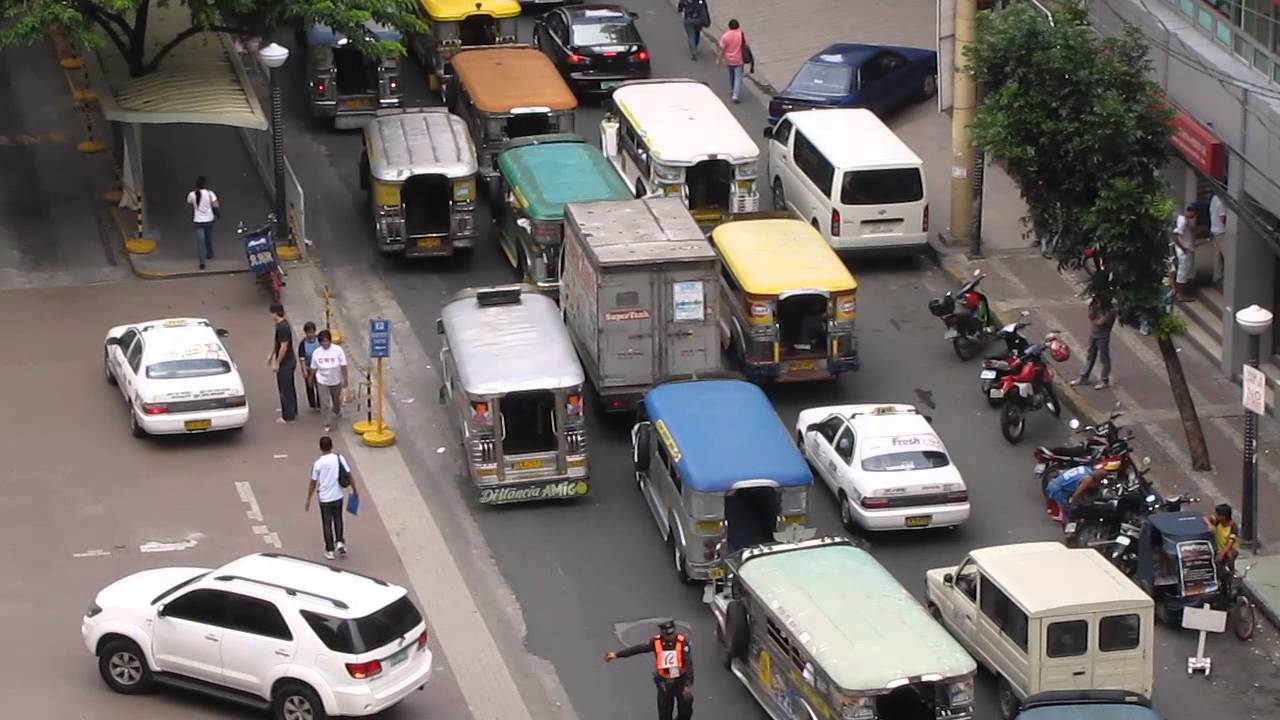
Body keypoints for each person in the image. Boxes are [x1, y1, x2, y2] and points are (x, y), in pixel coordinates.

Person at [606, 620, 693, 720]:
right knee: (665, 711)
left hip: (680, 680)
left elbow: (688, 664)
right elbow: (639, 649)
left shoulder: (682, 642)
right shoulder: (656, 642)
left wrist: (688, 685)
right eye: (667, 634)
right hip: (664, 682)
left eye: (671, 633)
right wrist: (617, 654)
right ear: (662, 633)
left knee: (686, 710)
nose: (670, 636)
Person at [306, 435, 358, 560]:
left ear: (320, 447)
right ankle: (340, 542)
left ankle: (329, 550)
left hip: (324, 498)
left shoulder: (318, 464)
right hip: (337, 495)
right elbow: (349, 474)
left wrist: (308, 499)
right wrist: (354, 490)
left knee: (327, 523)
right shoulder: (339, 458)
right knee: (338, 519)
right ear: (331, 446)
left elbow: (313, 482)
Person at [1070, 298, 1116, 390]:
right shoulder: (1096, 305)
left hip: (1103, 337)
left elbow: (1100, 322)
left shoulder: (1111, 311)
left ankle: (1104, 380)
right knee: (1090, 356)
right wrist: (1092, 308)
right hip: (1093, 334)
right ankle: (1084, 377)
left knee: (1104, 358)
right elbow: (1091, 315)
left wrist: (1093, 318)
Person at [309, 330, 349, 432]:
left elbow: (343, 365)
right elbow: (313, 368)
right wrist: (310, 378)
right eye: (323, 341)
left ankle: (336, 410)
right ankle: (327, 423)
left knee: (336, 401)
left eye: (327, 341)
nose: (325, 343)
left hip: (336, 380)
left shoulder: (338, 350)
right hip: (322, 381)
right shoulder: (316, 353)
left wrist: (345, 379)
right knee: (325, 404)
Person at [268, 302, 298, 423]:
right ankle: (293, 410)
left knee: (285, 389)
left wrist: (277, 362)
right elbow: (278, 343)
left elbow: (283, 346)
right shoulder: (282, 324)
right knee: (289, 387)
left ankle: (288, 415)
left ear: (275, 313)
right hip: (289, 360)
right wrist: (271, 355)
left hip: (286, 362)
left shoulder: (282, 327)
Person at [185, 176, 219, 270]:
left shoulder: (192, 194)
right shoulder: (210, 193)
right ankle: (210, 253)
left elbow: (189, 204)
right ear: (205, 185)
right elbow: (216, 205)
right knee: (208, 237)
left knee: (200, 242)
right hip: (209, 220)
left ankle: (202, 262)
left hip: (198, 221)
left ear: (196, 185)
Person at [716, 19, 746, 104]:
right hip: (739, 59)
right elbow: (745, 45)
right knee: (738, 77)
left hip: (729, 60)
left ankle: (733, 89)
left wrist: (719, 59)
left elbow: (722, 49)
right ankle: (735, 96)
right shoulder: (741, 34)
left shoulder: (725, 36)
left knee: (731, 75)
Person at [1206, 503, 1239, 574]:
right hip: (1219, 548)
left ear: (1224, 516)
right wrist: (1210, 525)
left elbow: (1230, 543)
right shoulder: (1218, 522)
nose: (1216, 516)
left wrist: (1222, 553)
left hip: (1230, 549)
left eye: (1217, 514)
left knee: (1229, 554)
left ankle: (1232, 572)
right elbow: (1205, 518)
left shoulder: (1233, 526)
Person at [1171, 205, 1197, 301]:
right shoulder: (1183, 221)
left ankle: (1184, 292)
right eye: (1194, 214)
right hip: (1183, 252)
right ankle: (1180, 294)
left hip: (1186, 251)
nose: (1194, 216)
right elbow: (1175, 236)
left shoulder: (1183, 220)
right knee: (1182, 274)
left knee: (1186, 273)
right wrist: (1183, 248)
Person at [298, 321, 323, 413]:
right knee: (310, 386)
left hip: (319, 368)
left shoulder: (319, 340)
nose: (311, 334)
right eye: (309, 332)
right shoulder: (302, 344)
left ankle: (320, 404)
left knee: (320, 386)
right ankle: (312, 403)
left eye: (312, 332)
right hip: (309, 368)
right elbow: (302, 358)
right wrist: (304, 370)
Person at [1209, 193, 1227, 285]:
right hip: (1221, 231)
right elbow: (1222, 219)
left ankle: (1217, 277)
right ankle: (1225, 278)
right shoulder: (1221, 202)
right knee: (1227, 255)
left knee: (1217, 255)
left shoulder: (1214, 198)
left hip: (1214, 229)